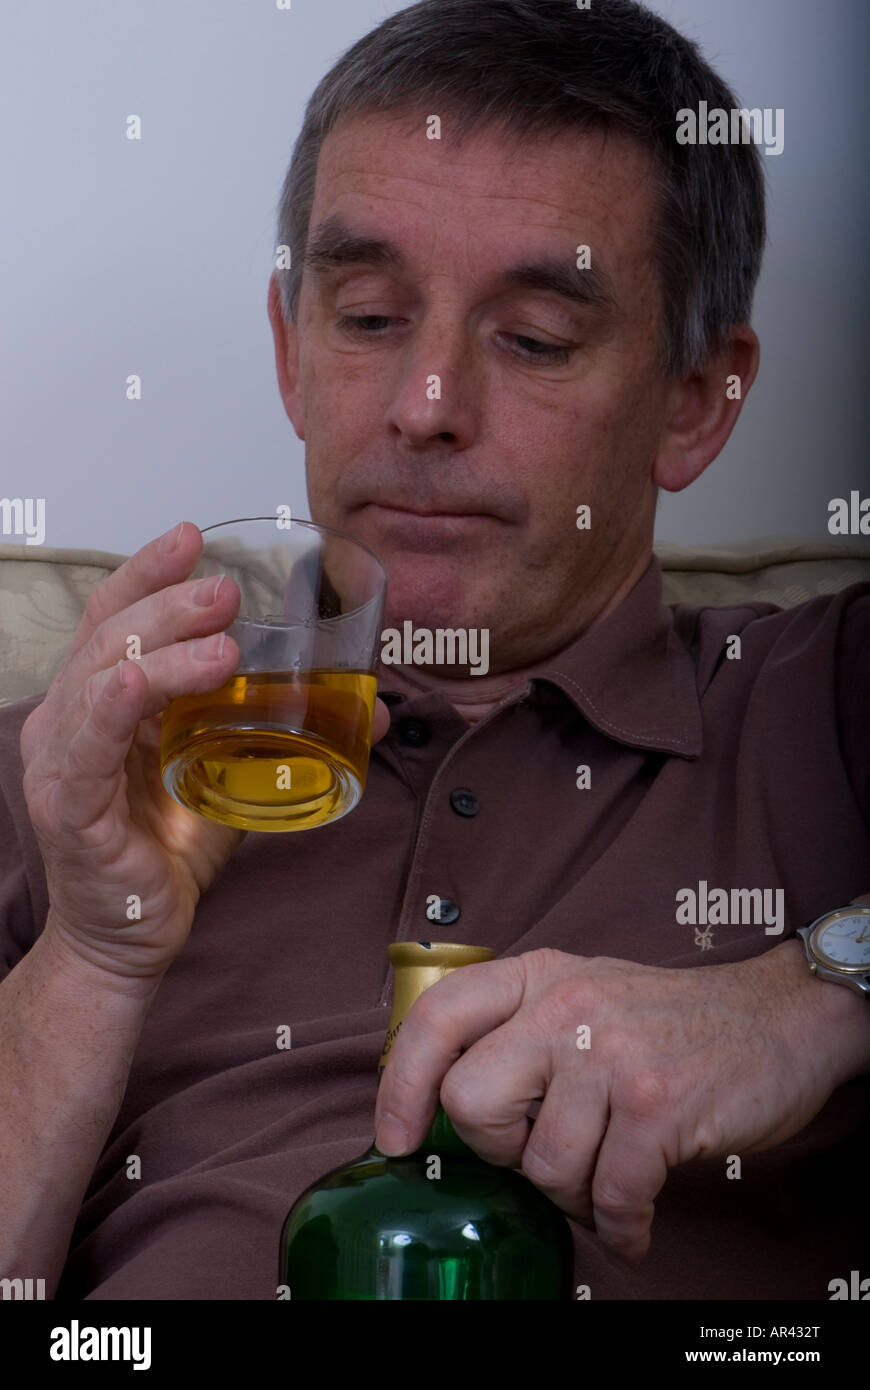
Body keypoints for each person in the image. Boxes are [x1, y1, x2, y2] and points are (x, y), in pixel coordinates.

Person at [1, 0, 868, 1301]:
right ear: (291, 351)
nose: (424, 408)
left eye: (532, 338)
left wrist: (816, 986)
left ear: (693, 404)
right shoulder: (67, 771)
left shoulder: (824, 705)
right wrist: (90, 953)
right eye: (364, 319)